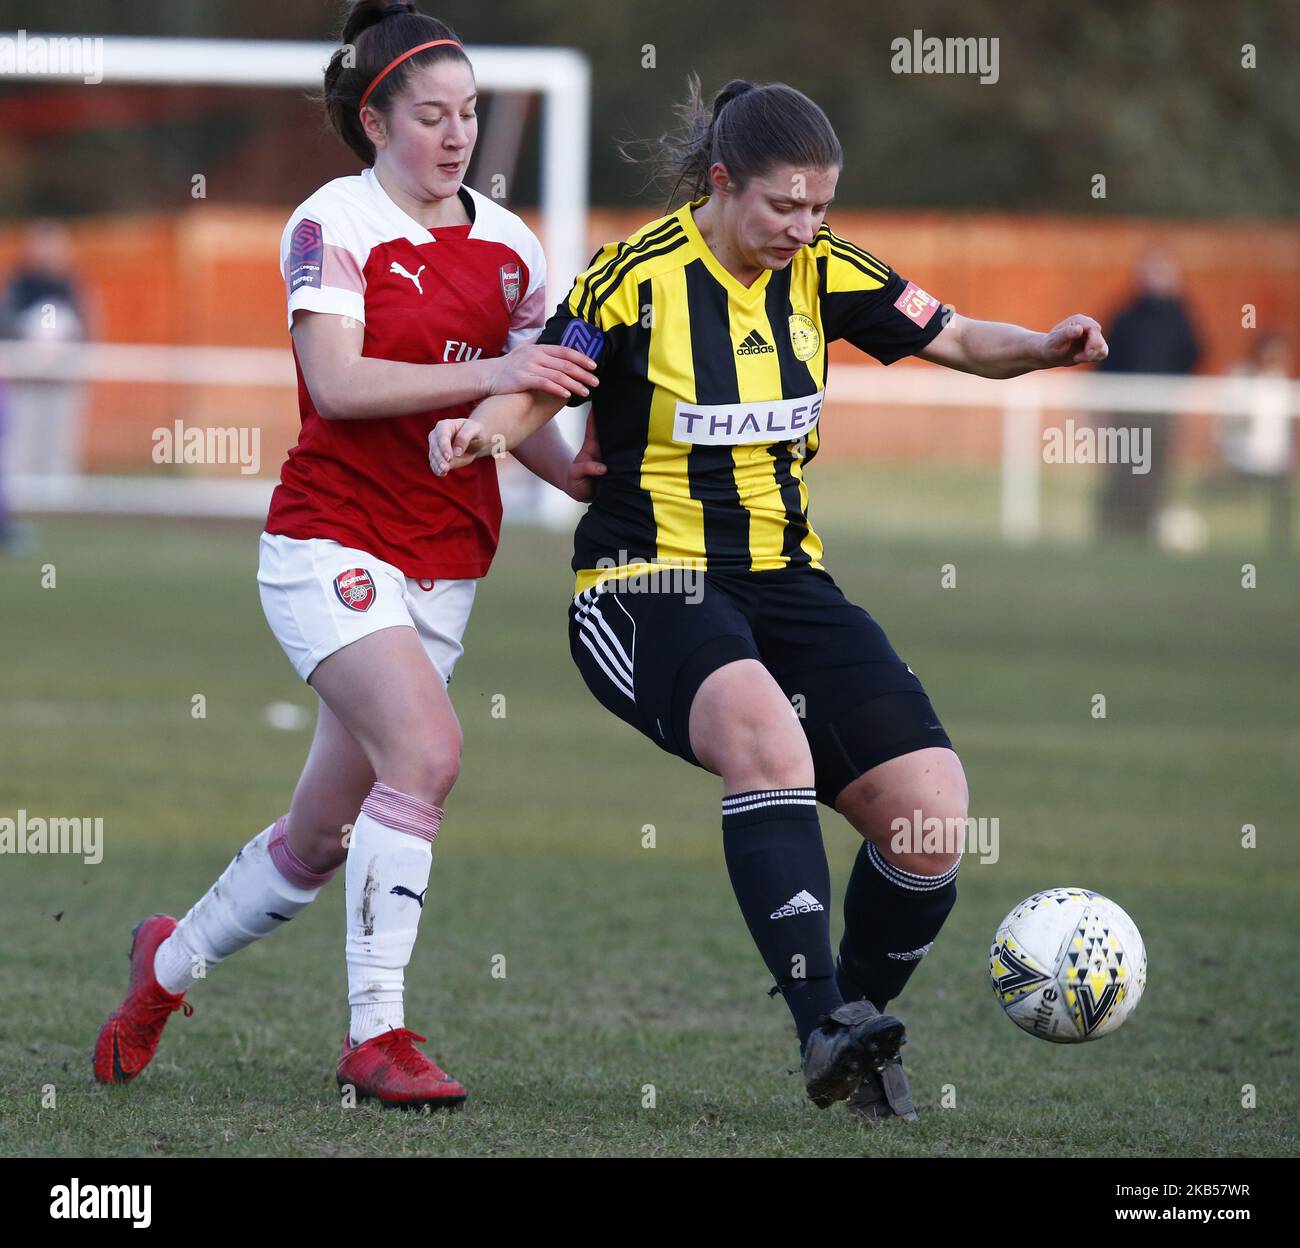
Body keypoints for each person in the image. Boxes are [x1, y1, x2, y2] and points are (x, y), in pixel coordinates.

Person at [432, 77, 1108, 1119]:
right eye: (782, 207)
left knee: (929, 815)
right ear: (720, 183)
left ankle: (854, 1031)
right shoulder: (632, 279)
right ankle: (822, 1024)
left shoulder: (827, 271)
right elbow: (540, 382)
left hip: (787, 583)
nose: (803, 228)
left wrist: (1045, 349)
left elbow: (961, 336)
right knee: (767, 743)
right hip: (642, 579)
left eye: (819, 208)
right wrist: (483, 429)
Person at [92, 0, 601, 1109]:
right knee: (427, 753)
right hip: (330, 542)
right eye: (431, 115)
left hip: (447, 565)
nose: (457, 134)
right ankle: (379, 1038)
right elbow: (341, 384)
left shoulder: (513, 246)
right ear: (376, 120)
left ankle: (164, 969)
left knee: (321, 839)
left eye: (469, 113)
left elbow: (535, 414)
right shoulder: (335, 221)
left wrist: (589, 480)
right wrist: (495, 376)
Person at [1095, 250, 1201, 540]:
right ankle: (1114, 531)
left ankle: (1148, 529)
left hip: (1162, 414)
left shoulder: (1181, 320)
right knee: (1125, 472)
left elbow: (1193, 354)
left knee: (1156, 475)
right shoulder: (1126, 318)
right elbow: (1105, 363)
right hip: (1127, 413)